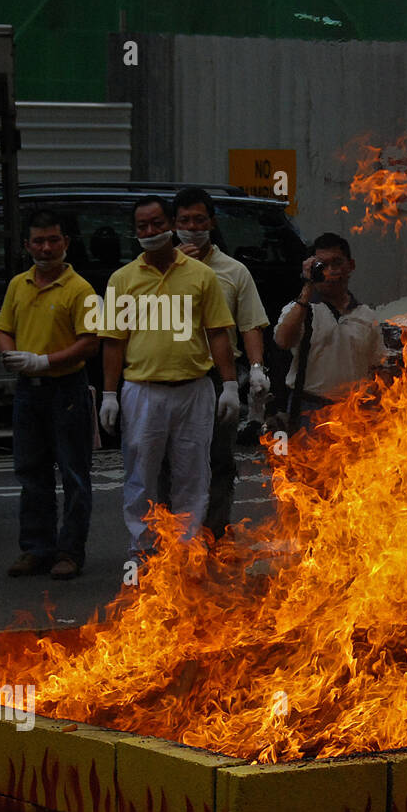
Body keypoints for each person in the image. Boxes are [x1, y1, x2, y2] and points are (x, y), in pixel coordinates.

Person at [97, 196, 239, 557]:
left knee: (193, 476)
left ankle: (186, 551)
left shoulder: (202, 275)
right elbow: (113, 342)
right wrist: (109, 394)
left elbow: (218, 333)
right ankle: (143, 552)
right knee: (140, 477)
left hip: (194, 390)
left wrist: (231, 385)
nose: (150, 232)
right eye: (142, 226)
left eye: (158, 224)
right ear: (135, 232)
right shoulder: (122, 280)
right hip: (142, 392)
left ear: (171, 224)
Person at [156, 186, 270, 540]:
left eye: (200, 220)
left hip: (219, 379)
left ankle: (215, 532)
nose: (193, 227)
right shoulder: (155, 269)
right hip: (168, 376)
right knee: (167, 463)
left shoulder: (234, 272)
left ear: (212, 222)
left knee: (218, 459)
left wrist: (255, 370)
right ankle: (172, 539)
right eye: (185, 221)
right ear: (173, 225)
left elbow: (249, 323)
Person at [0, 209, 100, 579]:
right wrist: (12, 355)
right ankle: (36, 548)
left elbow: (89, 343)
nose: (46, 247)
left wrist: (45, 361)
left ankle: (69, 552)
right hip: (28, 393)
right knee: (30, 471)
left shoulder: (80, 290)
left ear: (66, 243)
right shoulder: (17, 285)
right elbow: (4, 327)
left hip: (66, 390)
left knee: (73, 471)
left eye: (54, 239)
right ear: (27, 245)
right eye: (38, 241)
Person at [273, 232, 382, 431]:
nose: (331, 271)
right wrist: (308, 285)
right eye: (322, 266)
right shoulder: (301, 309)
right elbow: (282, 341)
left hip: (351, 413)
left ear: (351, 266)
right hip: (307, 410)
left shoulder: (366, 315)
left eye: (337, 263)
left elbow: (376, 367)